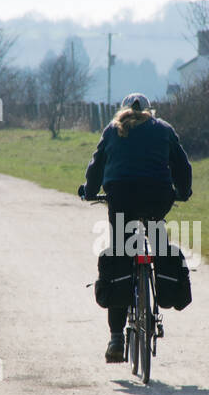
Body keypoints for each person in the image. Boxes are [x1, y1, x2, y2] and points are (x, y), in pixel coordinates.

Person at [80, 92, 192, 363]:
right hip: (157, 197)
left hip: (122, 197)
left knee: (120, 254)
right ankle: (164, 276)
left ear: (123, 111)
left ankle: (117, 338)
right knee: (157, 236)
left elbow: (97, 166)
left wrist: (90, 191)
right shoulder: (163, 129)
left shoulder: (112, 130)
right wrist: (184, 191)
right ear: (149, 112)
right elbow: (181, 165)